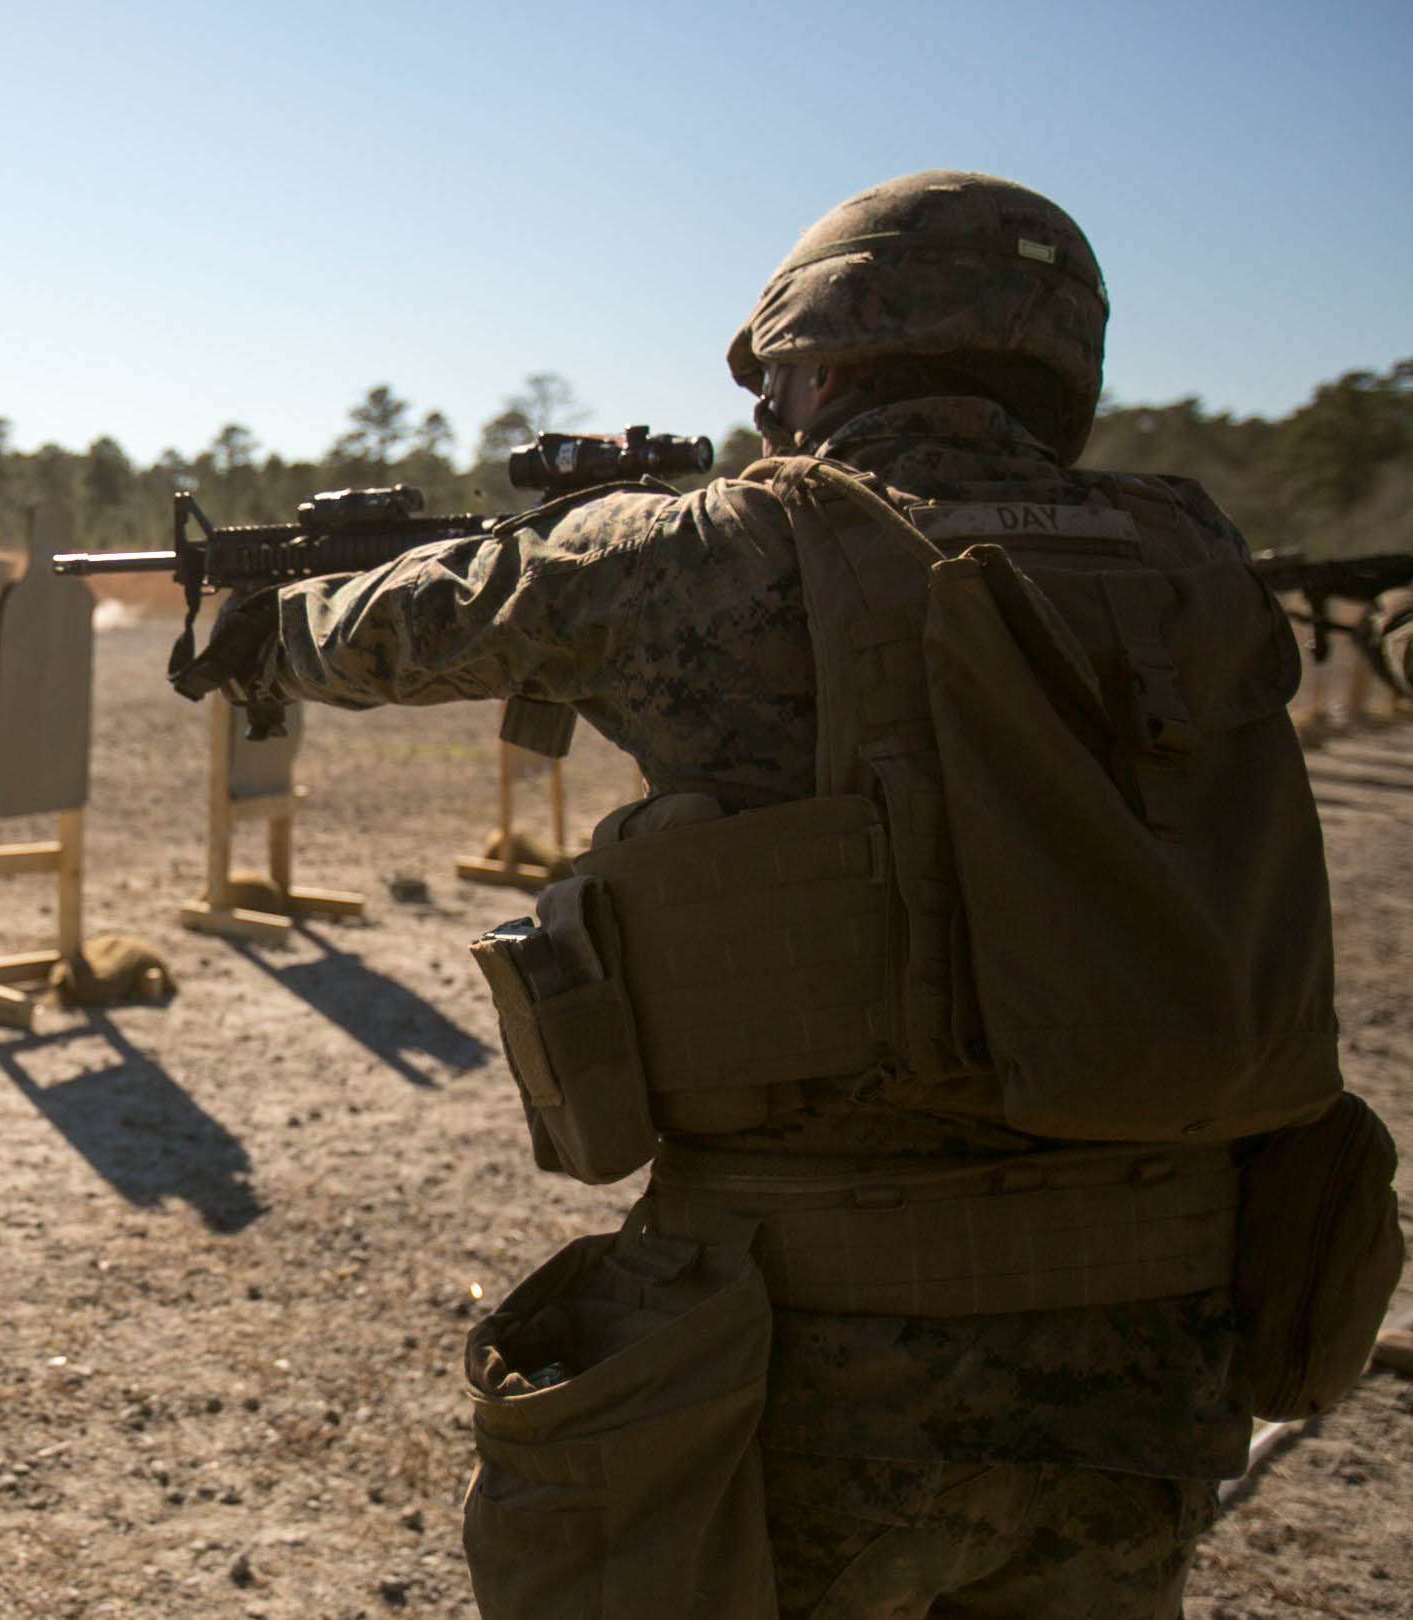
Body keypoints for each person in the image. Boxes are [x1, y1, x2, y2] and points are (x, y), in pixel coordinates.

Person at [176, 171, 1359, 1619]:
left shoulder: (712, 547)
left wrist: (260, 624)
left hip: (826, 1360)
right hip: (1159, 1352)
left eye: (780, 381)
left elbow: (406, 627)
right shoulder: (1190, 551)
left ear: (829, 360)